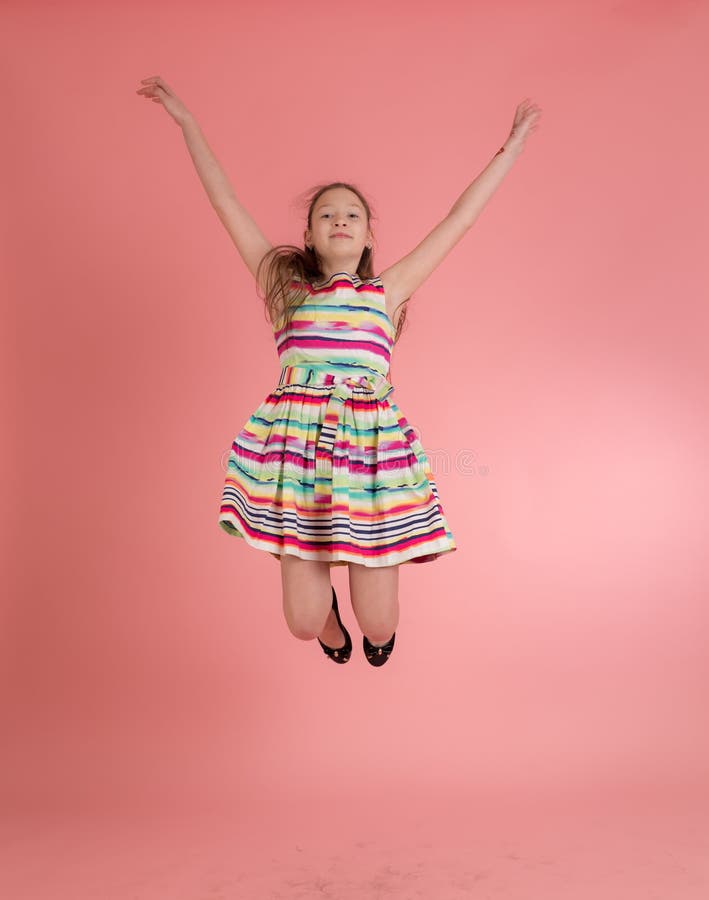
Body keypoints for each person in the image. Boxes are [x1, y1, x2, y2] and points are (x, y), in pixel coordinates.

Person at [136, 76, 542, 667]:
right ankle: (326, 615)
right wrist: (186, 122)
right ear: (309, 234)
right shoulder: (285, 290)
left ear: (369, 234)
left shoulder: (388, 291)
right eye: (327, 214)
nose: (340, 221)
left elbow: (459, 221)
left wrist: (509, 150)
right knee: (302, 623)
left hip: (370, 457)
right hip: (298, 457)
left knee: (380, 619)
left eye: (352, 214)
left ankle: (373, 626)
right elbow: (226, 203)